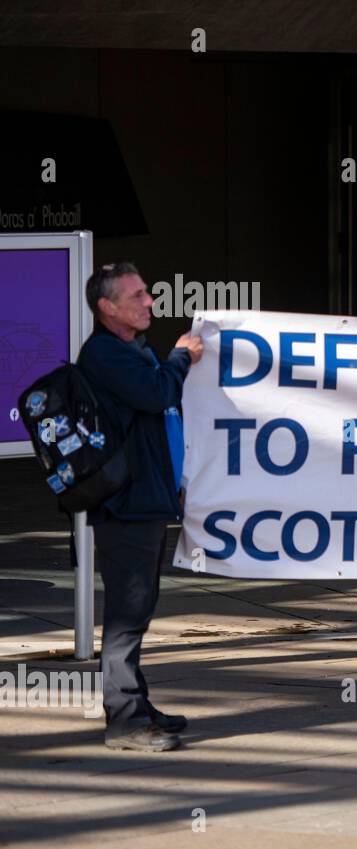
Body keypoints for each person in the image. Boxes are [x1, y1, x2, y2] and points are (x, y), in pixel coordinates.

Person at [77, 263, 203, 752]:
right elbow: (157, 395)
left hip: (146, 500)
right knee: (128, 613)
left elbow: (157, 425)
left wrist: (174, 483)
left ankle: (138, 705)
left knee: (140, 607)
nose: (150, 301)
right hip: (124, 506)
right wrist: (181, 358)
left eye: (148, 293)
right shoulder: (105, 354)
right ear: (108, 307)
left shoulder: (130, 350)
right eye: (137, 295)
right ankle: (126, 721)